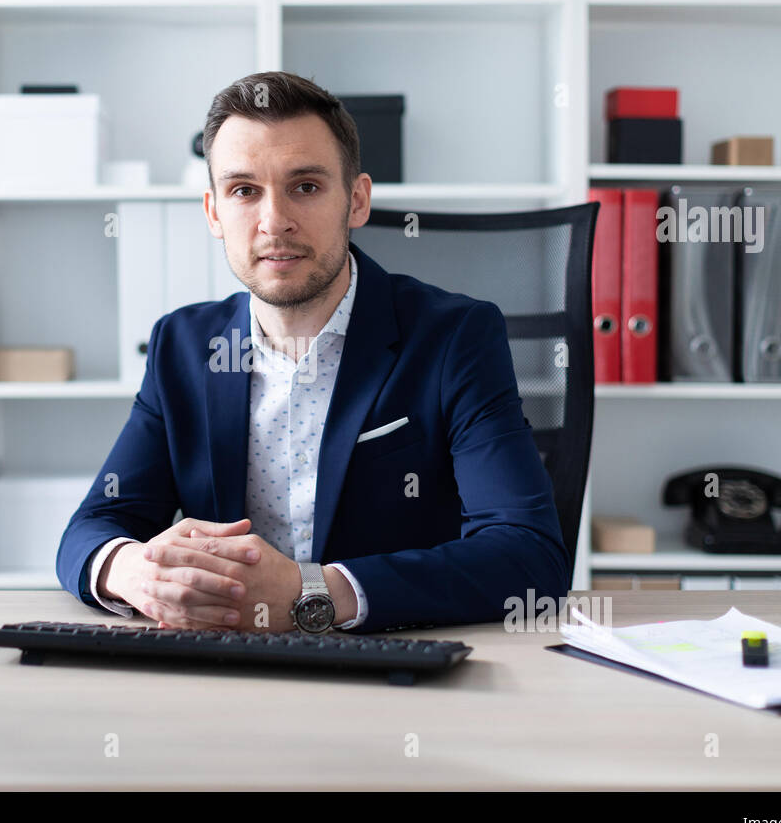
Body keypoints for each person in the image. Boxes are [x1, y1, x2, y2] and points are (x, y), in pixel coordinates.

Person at [57, 71, 568, 634]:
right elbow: (96, 524)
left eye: (305, 186)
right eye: (244, 191)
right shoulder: (183, 345)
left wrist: (315, 593)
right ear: (213, 213)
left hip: (397, 664)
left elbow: (528, 558)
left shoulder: (455, 338)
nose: (274, 221)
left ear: (356, 200)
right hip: (225, 662)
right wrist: (132, 570)